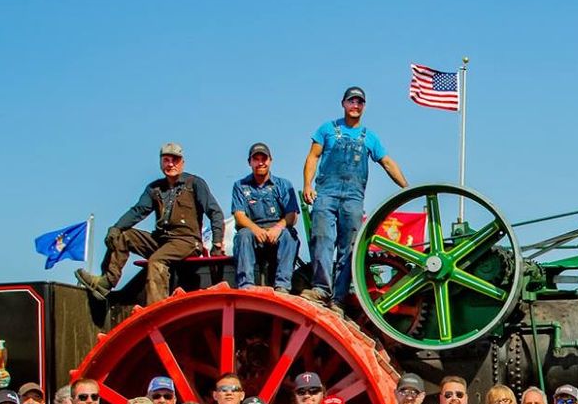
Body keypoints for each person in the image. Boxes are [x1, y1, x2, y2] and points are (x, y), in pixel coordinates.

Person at [76, 142, 226, 306]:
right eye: (166, 160)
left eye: (175, 160)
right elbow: (138, 211)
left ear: (182, 162)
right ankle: (106, 282)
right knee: (123, 236)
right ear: (161, 163)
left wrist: (217, 243)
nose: (170, 164)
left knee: (156, 261)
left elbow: (215, 212)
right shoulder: (155, 188)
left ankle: (157, 309)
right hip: (161, 240)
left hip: (187, 241)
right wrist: (116, 227)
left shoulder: (194, 183)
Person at [301, 85, 409, 304]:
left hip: (353, 198)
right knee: (322, 238)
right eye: (351, 101)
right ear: (343, 103)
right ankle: (321, 289)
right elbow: (313, 157)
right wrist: (307, 185)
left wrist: (406, 189)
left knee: (350, 248)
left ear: (364, 107)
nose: (355, 105)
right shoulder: (327, 129)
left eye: (359, 102)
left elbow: (387, 162)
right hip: (326, 194)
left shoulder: (369, 137)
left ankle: (339, 299)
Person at [229, 141, 300, 290]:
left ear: (270, 160)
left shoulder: (283, 185)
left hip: (277, 231)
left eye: (264, 159)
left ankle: (282, 286)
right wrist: (256, 230)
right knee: (243, 235)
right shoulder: (240, 186)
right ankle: (246, 286)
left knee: (289, 235)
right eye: (256, 159)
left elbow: (292, 215)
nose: (260, 163)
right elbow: (239, 216)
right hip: (253, 232)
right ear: (250, 162)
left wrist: (277, 228)